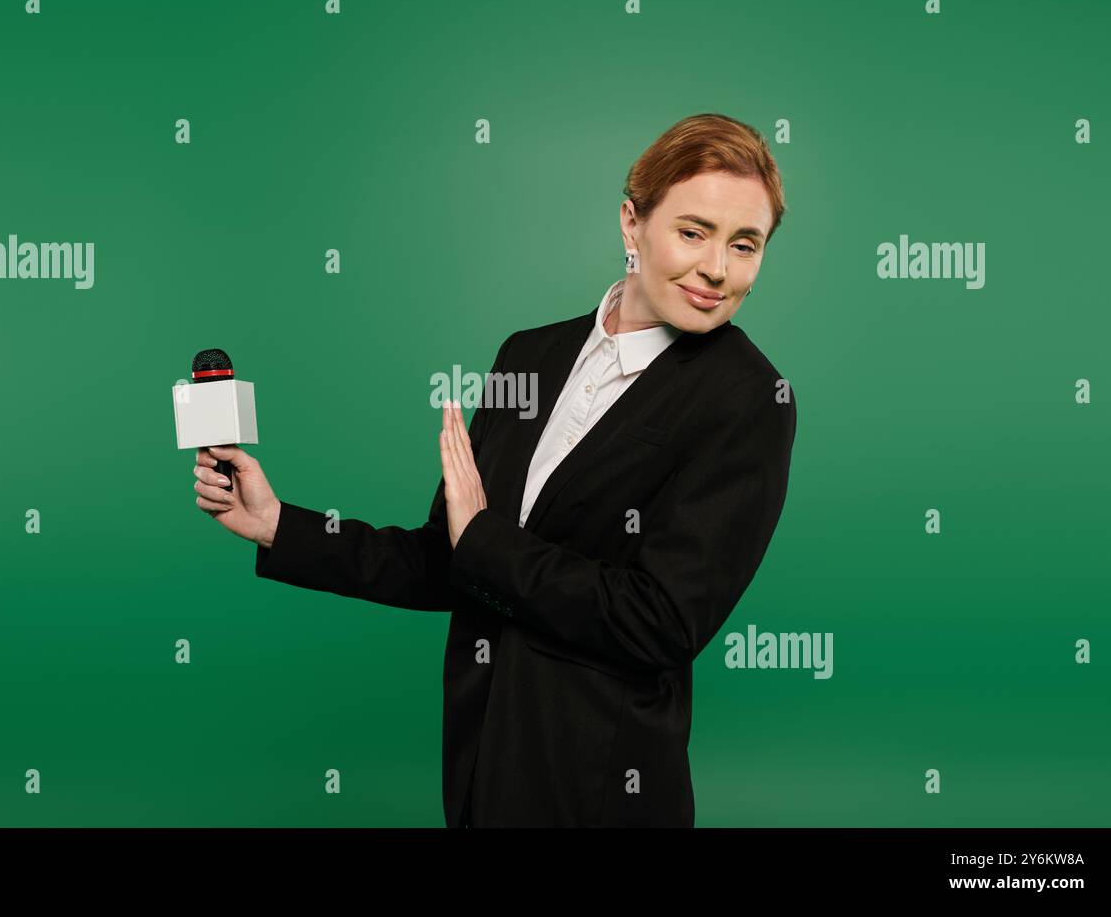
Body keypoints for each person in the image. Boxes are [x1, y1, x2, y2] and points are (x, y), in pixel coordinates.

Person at [191, 113, 797, 827]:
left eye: (744, 244)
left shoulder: (750, 398)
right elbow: (447, 558)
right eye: (693, 232)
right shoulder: (528, 357)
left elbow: (659, 621)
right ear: (632, 223)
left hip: (601, 789)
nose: (717, 269)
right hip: (481, 764)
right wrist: (276, 524)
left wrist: (483, 539)